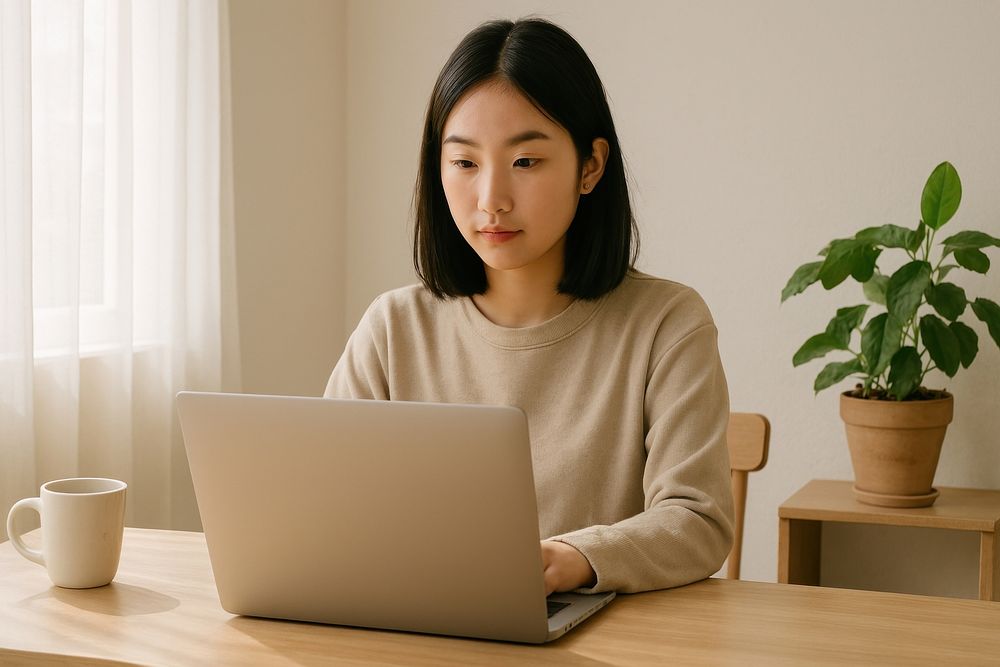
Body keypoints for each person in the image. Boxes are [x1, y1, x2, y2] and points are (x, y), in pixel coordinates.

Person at [325, 17, 734, 595]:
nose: (491, 199)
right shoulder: (394, 329)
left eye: (525, 162)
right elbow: (324, 504)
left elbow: (697, 521)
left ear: (590, 165)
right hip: (420, 629)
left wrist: (574, 557)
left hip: (601, 640)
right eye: (465, 163)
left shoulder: (667, 323)